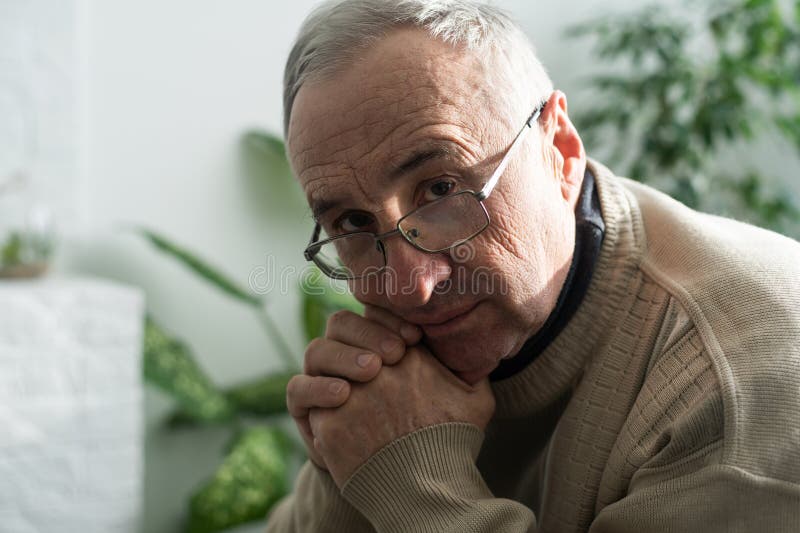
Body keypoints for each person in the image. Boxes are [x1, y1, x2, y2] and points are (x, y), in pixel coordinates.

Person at [266, 1, 800, 531]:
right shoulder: (405, 362)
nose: (411, 287)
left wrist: (416, 484)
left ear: (559, 150)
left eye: (442, 189)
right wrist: (350, 452)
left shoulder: (739, 375)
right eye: (355, 224)